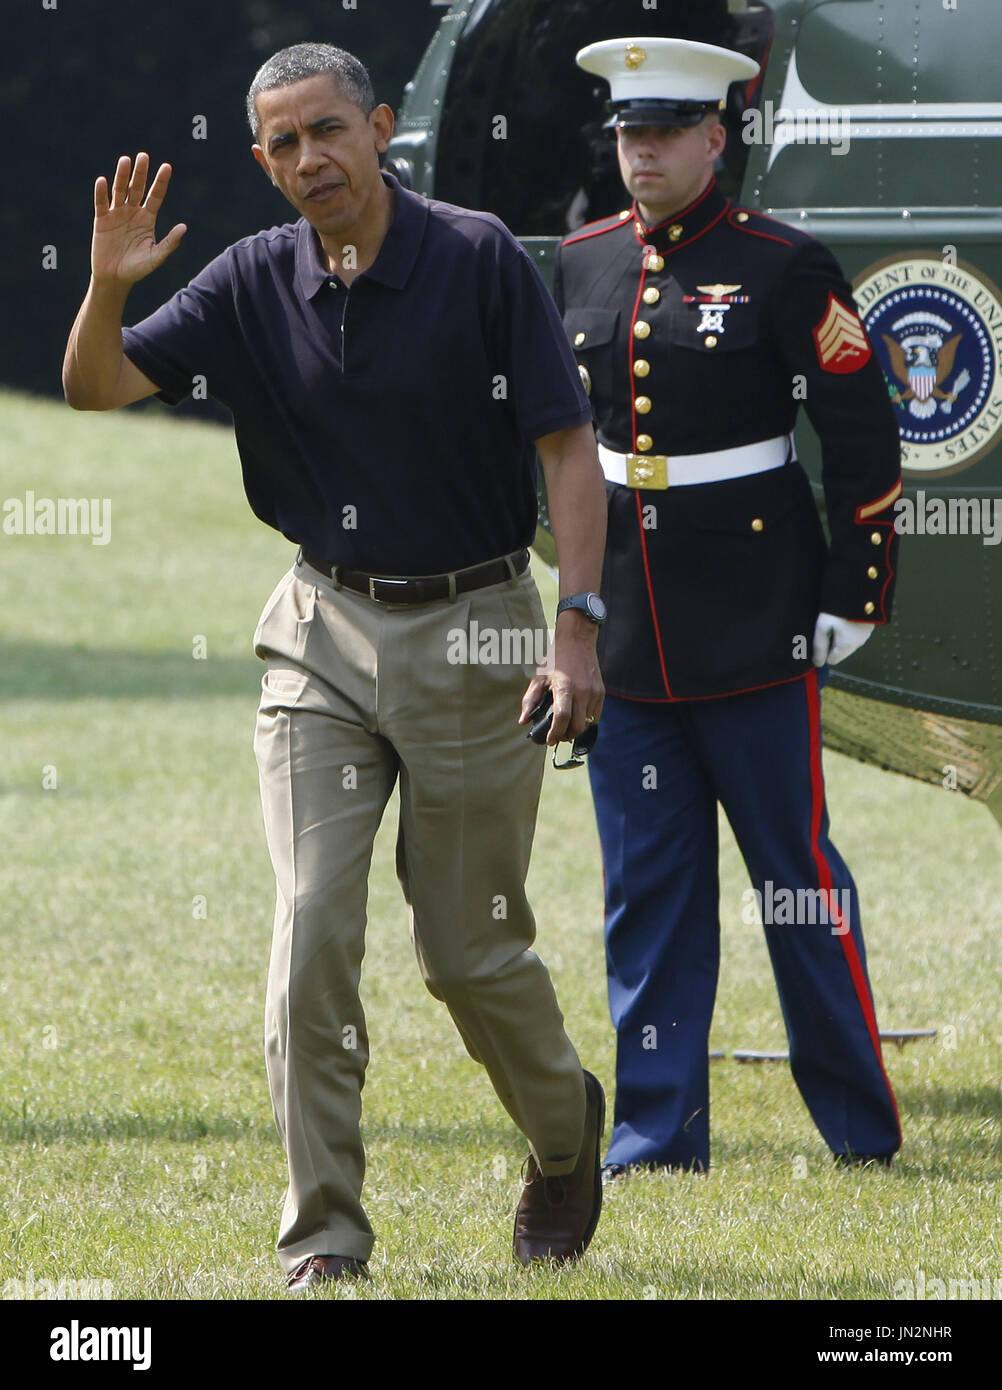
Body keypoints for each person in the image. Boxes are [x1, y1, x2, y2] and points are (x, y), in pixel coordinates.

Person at [62, 42, 611, 1287]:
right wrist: (104, 284)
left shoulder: (476, 259)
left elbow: (570, 452)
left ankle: (567, 1134)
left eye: (328, 131)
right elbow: (94, 389)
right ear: (263, 162)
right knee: (310, 932)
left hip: (480, 628)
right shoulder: (254, 279)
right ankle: (327, 1238)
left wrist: (576, 630)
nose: (310, 159)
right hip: (320, 629)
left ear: (377, 130)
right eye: (282, 144)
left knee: (468, 955)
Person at [554, 37, 903, 1179]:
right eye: (625, 133)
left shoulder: (785, 264)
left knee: (797, 886)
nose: (639, 152)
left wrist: (855, 589)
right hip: (630, 643)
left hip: (759, 622)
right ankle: (656, 1141)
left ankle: (858, 1122)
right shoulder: (586, 260)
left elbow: (860, 439)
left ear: (717, 137)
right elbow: (566, 450)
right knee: (645, 894)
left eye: (663, 133)